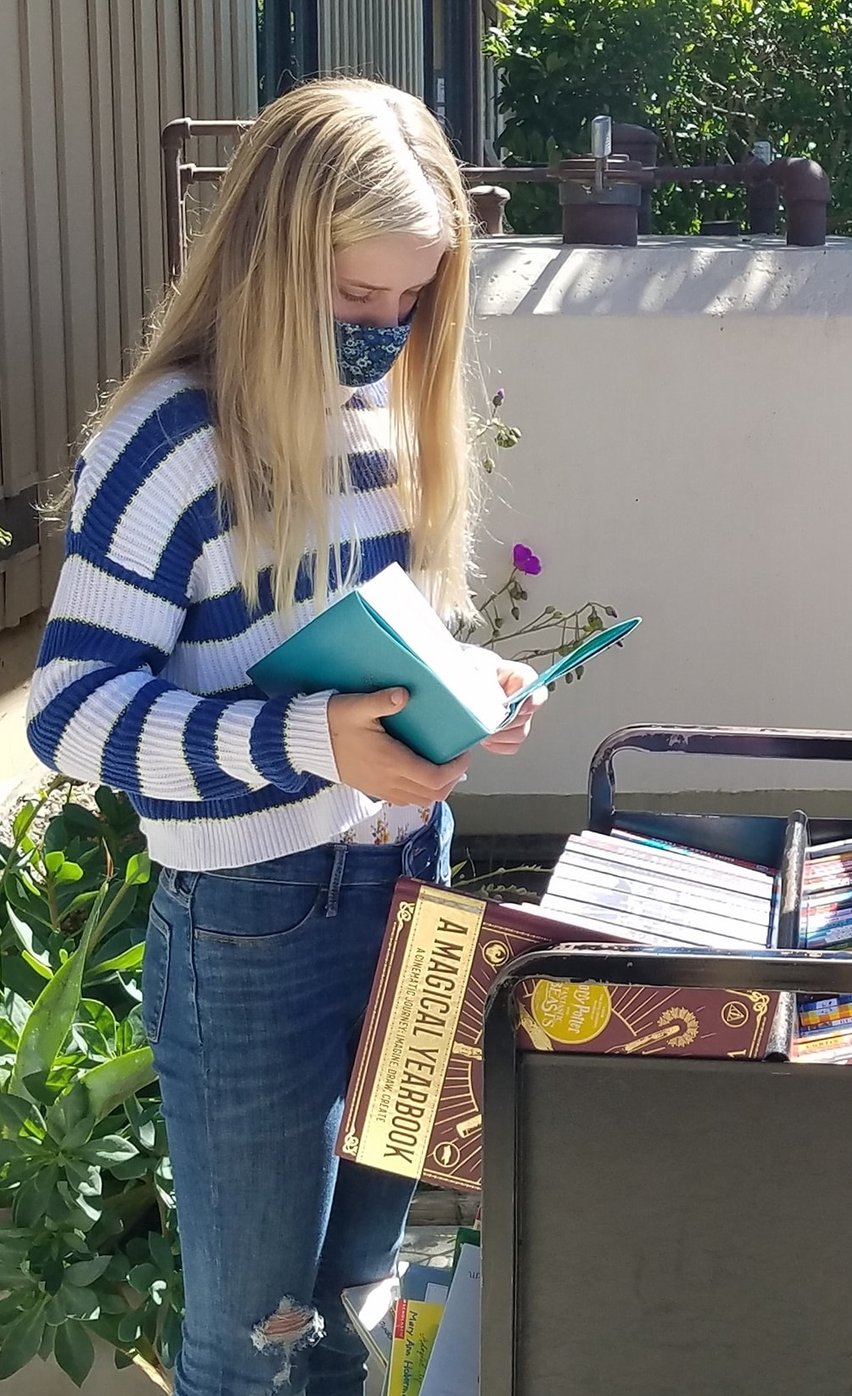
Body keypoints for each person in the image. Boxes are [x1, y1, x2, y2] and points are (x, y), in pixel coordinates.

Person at [25, 79, 538, 1396]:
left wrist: (471, 681)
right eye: (358, 300)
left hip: (410, 887)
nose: (386, 333)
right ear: (268, 260)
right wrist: (316, 740)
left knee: (357, 1298)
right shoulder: (172, 445)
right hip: (251, 922)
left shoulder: (393, 424)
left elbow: (400, 639)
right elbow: (77, 713)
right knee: (253, 1339)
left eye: (411, 301)